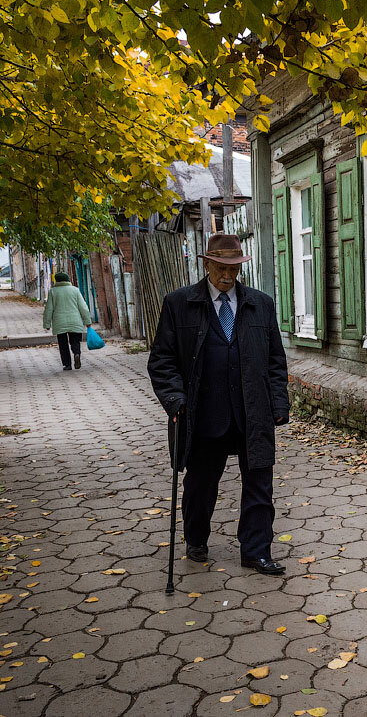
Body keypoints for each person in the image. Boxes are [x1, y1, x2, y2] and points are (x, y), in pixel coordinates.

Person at [148, 233, 291, 575]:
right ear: (206, 263)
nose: (228, 276)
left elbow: (275, 359)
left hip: (251, 412)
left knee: (259, 484)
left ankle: (255, 551)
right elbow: (161, 361)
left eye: (234, 269)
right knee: (200, 485)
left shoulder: (261, 304)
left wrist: (278, 401)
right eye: (221, 268)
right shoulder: (179, 303)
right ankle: (196, 538)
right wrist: (175, 399)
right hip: (202, 413)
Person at [42, 271, 93, 371]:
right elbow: (83, 307)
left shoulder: (53, 292)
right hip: (75, 321)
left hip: (59, 322)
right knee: (75, 341)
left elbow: (49, 309)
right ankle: (77, 354)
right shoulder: (75, 290)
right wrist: (87, 321)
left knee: (63, 344)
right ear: (68, 279)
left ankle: (67, 364)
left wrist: (47, 324)